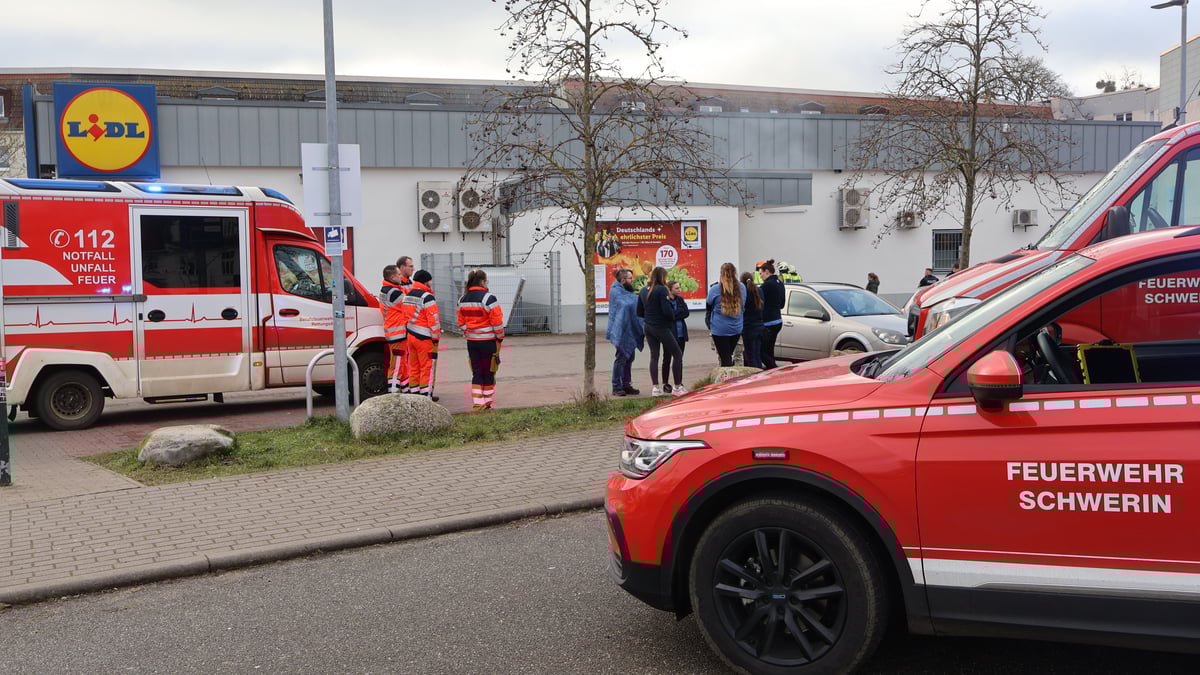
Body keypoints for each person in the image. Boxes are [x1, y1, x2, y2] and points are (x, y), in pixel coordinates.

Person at [457, 269, 505, 410]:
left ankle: (478, 403)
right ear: (483, 282)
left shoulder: (462, 299)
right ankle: (488, 401)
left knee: (477, 371)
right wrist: (500, 337)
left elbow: (461, 322)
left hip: (472, 342)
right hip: (488, 341)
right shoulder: (489, 298)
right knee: (489, 371)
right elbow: (497, 321)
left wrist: (470, 332)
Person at [637, 266, 684, 397]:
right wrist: (673, 315)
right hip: (662, 327)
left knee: (654, 356)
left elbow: (639, 311)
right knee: (677, 354)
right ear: (662, 277)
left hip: (648, 326)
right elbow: (667, 311)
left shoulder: (642, 291)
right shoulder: (662, 289)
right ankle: (677, 387)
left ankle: (655, 388)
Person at [606, 268, 643, 396]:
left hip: (630, 328)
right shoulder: (616, 292)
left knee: (630, 358)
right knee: (621, 358)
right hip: (620, 329)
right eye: (630, 278)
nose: (632, 280)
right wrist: (635, 302)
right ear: (623, 280)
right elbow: (623, 306)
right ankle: (616, 386)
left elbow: (633, 304)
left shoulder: (628, 291)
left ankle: (626, 384)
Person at [405, 270, 441, 398]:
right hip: (425, 338)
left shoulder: (408, 295)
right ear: (426, 281)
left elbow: (406, 315)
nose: (431, 282)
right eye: (430, 280)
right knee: (426, 368)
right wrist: (436, 338)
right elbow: (434, 320)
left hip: (410, 335)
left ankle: (414, 395)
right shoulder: (427, 297)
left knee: (414, 367)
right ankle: (426, 397)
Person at [705, 263, 746, 367]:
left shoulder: (714, 289)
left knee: (725, 358)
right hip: (736, 328)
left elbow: (709, 306)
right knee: (729, 355)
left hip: (719, 329)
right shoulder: (742, 288)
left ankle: (726, 380)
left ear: (721, 273)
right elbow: (743, 305)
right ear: (735, 273)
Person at [379, 264, 412, 393]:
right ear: (392, 277)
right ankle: (393, 394)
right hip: (397, 333)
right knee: (397, 365)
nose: (401, 277)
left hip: (395, 332)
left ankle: (405, 389)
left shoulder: (387, 289)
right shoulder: (394, 293)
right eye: (399, 275)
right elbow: (409, 305)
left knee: (401, 364)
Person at [758, 259, 785, 369]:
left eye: (761, 274)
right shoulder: (780, 283)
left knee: (760, 351)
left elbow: (757, 300)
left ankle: (774, 369)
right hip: (778, 320)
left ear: (767, 272)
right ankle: (771, 369)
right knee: (769, 349)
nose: (760, 276)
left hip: (768, 322)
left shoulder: (767, 285)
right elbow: (782, 304)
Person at [667, 280, 690, 395]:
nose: (679, 290)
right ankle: (666, 383)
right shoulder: (666, 300)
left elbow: (686, 312)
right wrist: (676, 314)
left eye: (679, 287)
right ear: (670, 289)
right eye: (676, 288)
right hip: (670, 333)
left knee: (679, 358)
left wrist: (675, 314)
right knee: (667, 358)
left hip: (681, 333)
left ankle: (679, 383)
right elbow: (668, 315)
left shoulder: (680, 300)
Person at [740, 271, 765, 368]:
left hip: (748, 327)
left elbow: (743, 308)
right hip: (759, 326)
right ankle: (760, 374)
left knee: (750, 356)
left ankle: (755, 378)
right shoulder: (759, 291)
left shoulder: (744, 292)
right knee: (757, 354)